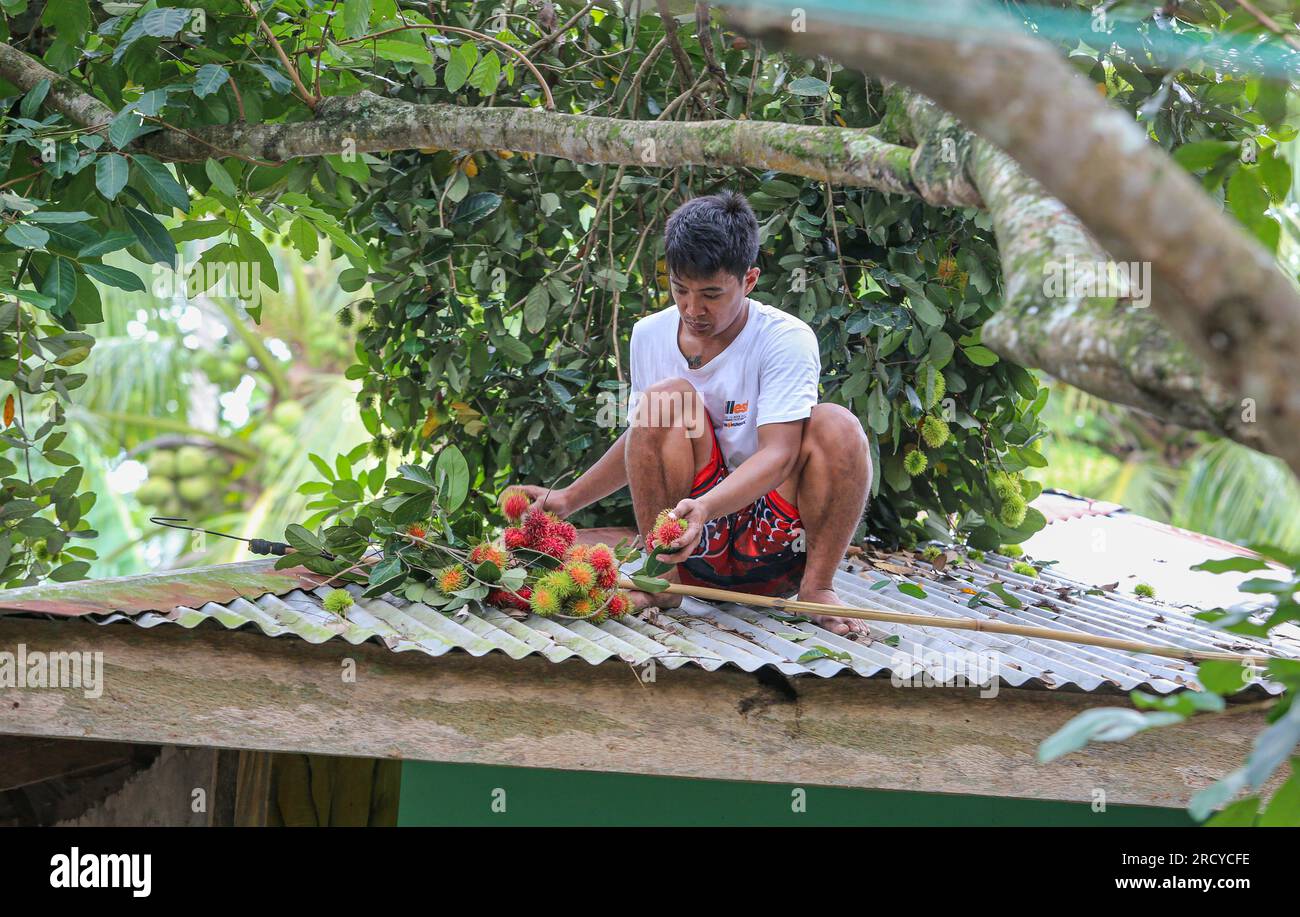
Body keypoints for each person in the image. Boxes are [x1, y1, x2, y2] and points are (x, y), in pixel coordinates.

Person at [517, 191, 872, 636]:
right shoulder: (649, 335)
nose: (692, 309)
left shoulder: (786, 338)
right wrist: (569, 499)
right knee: (668, 399)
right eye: (680, 289)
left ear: (749, 280)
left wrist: (705, 508)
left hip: (776, 551)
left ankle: (818, 588)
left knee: (838, 424)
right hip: (689, 549)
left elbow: (780, 454)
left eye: (711, 294)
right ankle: (661, 579)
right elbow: (643, 439)